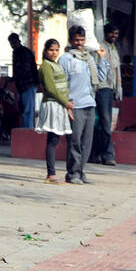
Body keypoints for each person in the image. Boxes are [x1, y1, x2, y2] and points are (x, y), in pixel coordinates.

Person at [58, 25, 100, 185]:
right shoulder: (65, 59)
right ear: (70, 40)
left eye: (82, 40)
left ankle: (81, 171)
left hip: (90, 103)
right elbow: (61, 83)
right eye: (76, 40)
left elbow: (100, 78)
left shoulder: (89, 58)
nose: (79, 43)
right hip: (74, 105)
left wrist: (102, 60)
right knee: (74, 141)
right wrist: (66, 104)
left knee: (87, 142)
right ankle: (72, 173)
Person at [37, 39, 73, 184]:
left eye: (57, 50)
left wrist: (66, 105)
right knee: (52, 139)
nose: (54, 53)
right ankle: (50, 174)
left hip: (59, 105)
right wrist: (66, 103)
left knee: (55, 139)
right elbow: (51, 88)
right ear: (45, 51)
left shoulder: (55, 65)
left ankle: (51, 173)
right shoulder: (46, 66)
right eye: (51, 50)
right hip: (52, 105)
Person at [89, 24, 123, 166]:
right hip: (101, 89)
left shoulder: (114, 49)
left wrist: (118, 88)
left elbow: (117, 70)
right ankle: (108, 155)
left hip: (111, 89)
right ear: (106, 33)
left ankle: (95, 153)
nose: (114, 36)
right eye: (112, 33)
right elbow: (95, 68)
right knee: (105, 122)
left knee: (103, 124)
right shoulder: (99, 48)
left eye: (116, 33)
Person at [8, 33, 39, 129]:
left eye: (14, 42)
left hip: (28, 85)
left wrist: (14, 78)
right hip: (21, 86)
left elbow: (25, 70)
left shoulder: (25, 52)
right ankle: (25, 130)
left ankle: (28, 132)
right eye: (11, 43)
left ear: (18, 41)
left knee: (28, 111)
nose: (13, 45)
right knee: (23, 110)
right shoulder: (16, 52)